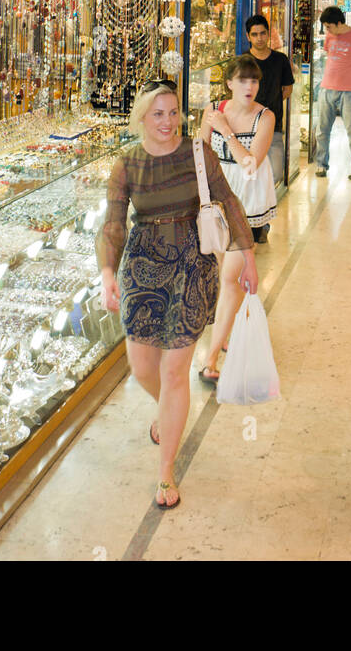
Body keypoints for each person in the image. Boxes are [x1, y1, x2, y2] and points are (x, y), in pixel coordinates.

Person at [99, 78, 257, 510]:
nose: (167, 122)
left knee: (174, 372)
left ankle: (166, 471)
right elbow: (113, 223)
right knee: (143, 366)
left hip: (192, 264)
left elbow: (228, 200)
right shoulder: (127, 163)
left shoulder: (197, 153)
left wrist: (248, 257)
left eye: (173, 113)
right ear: (142, 118)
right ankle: (168, 410)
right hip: (142, 268)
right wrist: (106, 272)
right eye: (158, 114)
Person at [199, 55, 275, 379]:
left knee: (231, 280)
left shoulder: (265, 117)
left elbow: (250, 164)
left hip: (245, 202)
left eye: (254, 81)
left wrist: (226, 131)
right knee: (221, 273)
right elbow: (200, 154)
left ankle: (210, 360)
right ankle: (228, 332)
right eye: (243, 80)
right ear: (229, 83)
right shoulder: (214, 110)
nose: (250, 86)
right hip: (216, 200)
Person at [245, 13, 294, 239]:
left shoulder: (280, 60)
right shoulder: (244, 61)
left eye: (263, 33)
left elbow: (287, 89)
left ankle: (259, 220)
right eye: (254, 34)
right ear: (248, 37)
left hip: (273, 126)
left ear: (268, 33)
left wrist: (268, 111)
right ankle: (257, 224)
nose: (259, 38)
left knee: (273, 172)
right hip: (247, 130)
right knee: (250, 175)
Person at [315, 5, 351, 180]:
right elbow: (329, 58)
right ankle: (321, 164)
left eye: (329, 26)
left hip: (348, 92)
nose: (327, 30)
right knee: (322, 129)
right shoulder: (330, 36)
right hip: (326, 89)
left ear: (339, 22)